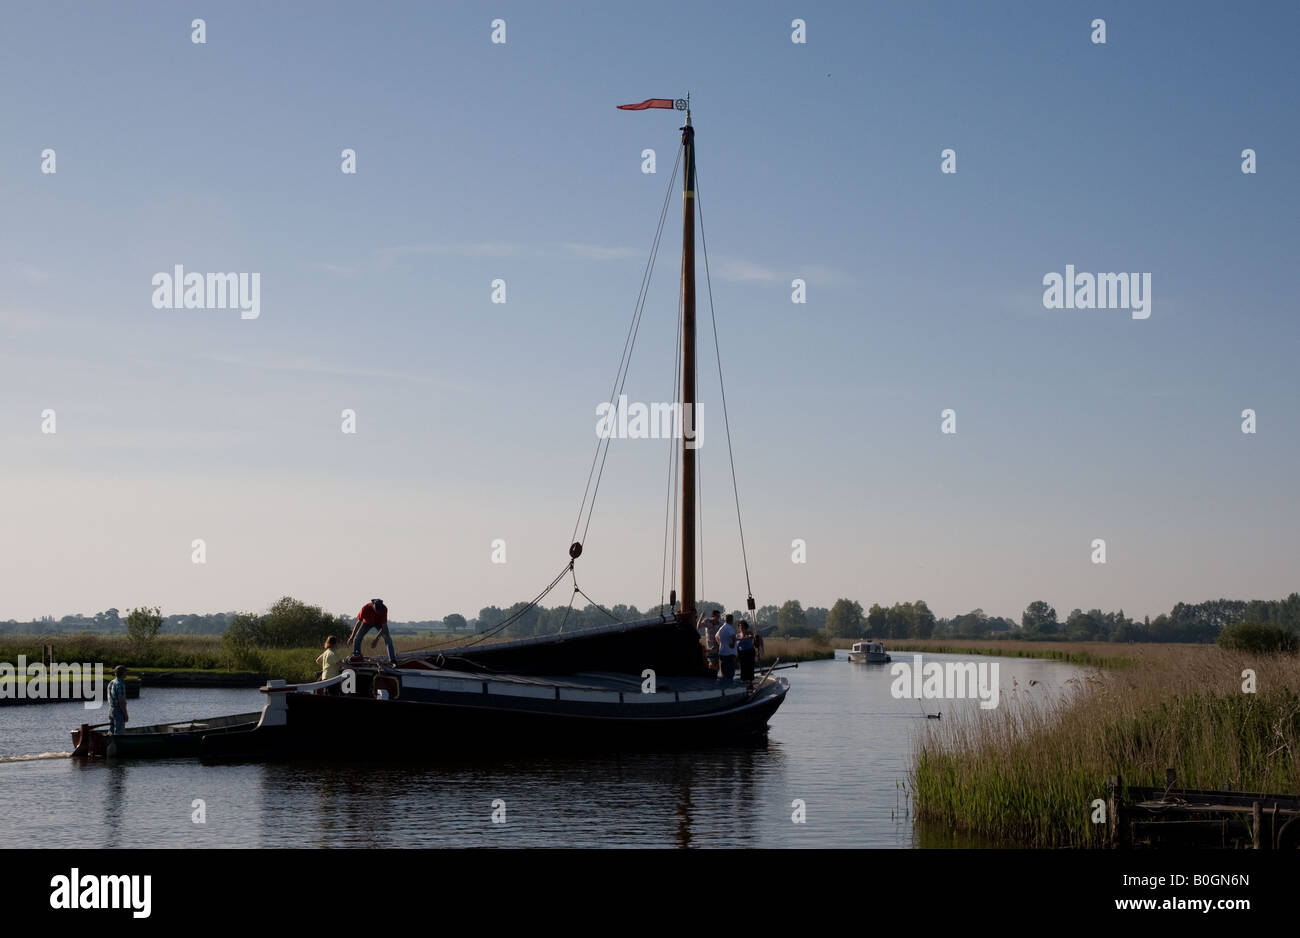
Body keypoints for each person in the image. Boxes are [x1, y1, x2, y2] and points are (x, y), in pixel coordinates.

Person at [348, 598, 397, 664]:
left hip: (379, 623)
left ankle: (393, 660)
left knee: (388, 639)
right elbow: (358, 623)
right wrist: (351, 637)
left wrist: (376, 639)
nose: (378, 612)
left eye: (379, 611)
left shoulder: (384, 609)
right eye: (376, 610)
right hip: (367, 622)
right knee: (357, 638)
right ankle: (357, 656)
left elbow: (384, 627)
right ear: (373, 606)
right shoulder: (365, 608)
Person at [697, 608, 722, 674]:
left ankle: (716, 676)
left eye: (719, 616)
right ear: (713, 616)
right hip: (710, 646)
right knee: (711, 663)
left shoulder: (719, 624)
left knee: (717, 665)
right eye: (717, 616)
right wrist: (701, 617)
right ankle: (711, 676)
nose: (718, 618)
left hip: (717, 646)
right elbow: (698, 626)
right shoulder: (707, 621)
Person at [715, 614, 738, 681]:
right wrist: (733, 644)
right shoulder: (730, 628)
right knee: (730, 672)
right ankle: (730, 686)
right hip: (730, 653)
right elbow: (733, 637)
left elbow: (716, 636)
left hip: (722, 652)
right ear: (731, 620)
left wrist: (720, 643)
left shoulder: (721, 628)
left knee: (724, 672)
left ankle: (724, 687)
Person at [107, 665, 129, 734]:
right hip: (118, 710)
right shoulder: (120, 684)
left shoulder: (111, 682)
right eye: (126, 672)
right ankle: (118, 744)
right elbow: (121, 702)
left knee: (111, 732)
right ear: (122, 673)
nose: (127, 674)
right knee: (119, 732)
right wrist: (125, 714)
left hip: (111, 709)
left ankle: (109, 744)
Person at [736, 620, 757, 685]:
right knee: (743, 667)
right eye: (740, 626)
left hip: (749, 651)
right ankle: (743, 681)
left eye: (742, 626)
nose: (741, 627)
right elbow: (736, 644)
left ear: (745, 626)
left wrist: (744, 638)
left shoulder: (749, 632)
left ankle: (750, 682)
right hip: (741, 652)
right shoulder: (737, 635)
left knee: (750, 667)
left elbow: (751, 637)